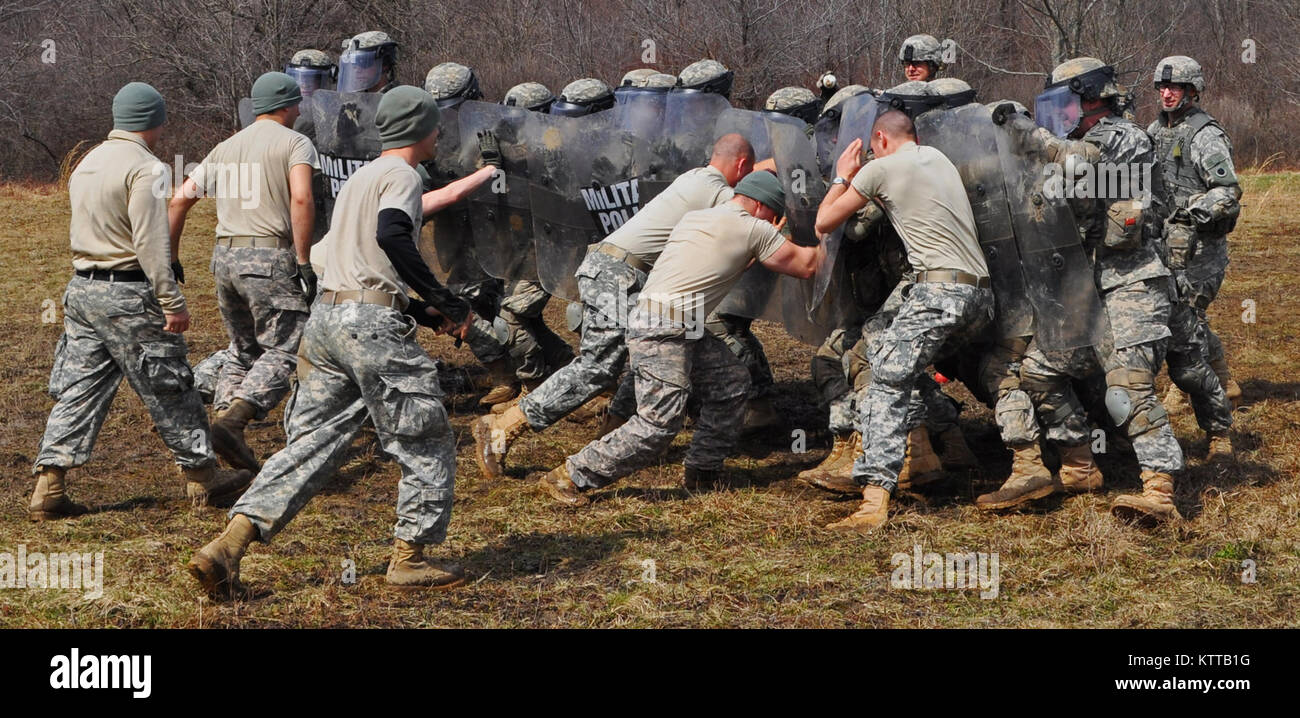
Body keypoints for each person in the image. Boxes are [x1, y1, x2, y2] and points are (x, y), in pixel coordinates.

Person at [188, 86, 497, 598]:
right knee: (426, 436)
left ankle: (227, 546)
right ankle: (410, 558)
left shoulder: (362, 177)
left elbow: (362, 263)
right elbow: (393, 237)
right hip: (367, 328)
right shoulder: (402, 174)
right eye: (435, 125)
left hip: (329, 321)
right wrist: (449, 301)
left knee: (313, 444)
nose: (440, 133)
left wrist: (420, 310)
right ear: (421, 130)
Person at [29, 82, 251, 521]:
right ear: (156, 121)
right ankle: (205, 478)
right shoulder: (146, 169)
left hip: (82, 289)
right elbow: (150, 243)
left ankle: (49, 485)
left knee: (79, 388)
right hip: (128, 292)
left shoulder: (86, 163)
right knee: (170, 384)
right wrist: (171, 300)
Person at [534, 171, 826, 505]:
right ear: (761, 207)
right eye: (774, 217)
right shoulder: (752, 227)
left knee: (730, 383)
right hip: (664, 328)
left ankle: (703, 469)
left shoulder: (696, 219)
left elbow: (722, 261)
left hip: (672, 322)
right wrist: (830, 229)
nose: (773, 223)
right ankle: (570, 475)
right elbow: (806, 265)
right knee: (659, 423)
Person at [474, 134, 757, 478]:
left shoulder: (697, 177)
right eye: (748, 173)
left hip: (627, 276)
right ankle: (504, 426)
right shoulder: (718, 191)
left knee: (647, 353)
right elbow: (747, 219)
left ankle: (611, 433)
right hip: (617, 274)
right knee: (599, 366)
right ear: (742, 167)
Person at [815, 110, 992, 531]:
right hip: (980, 297)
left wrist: (843, 175)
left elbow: (826, 222)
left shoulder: (880, 168)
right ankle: (946, 442)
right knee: (892, 350)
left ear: (880, 138)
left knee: (883, 375)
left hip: (938, 292)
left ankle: (874, 498)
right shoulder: (939, 158)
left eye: (874, 145)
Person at [168, 72, 318, 473]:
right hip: (269, 259)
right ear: (286, 106)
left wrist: (172, 256)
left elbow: (179, 201)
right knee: (287, 348)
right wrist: (303, 260)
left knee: (242, 349)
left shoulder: (224, 147)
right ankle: (235, 420)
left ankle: (223, 430)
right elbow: (302, 196)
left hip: (224, 258)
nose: (300, 110)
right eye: (297, 104)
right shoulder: (296, 143)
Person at [1148, 55, 1241, 459]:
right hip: (1166, 244)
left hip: (1202, 248)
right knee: (1187, 316)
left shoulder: (1205, 135)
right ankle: (1224, 378)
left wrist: (1190, 211)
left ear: (1192, 91)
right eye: (1163, 88)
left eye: (1176, 88)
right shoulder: (1154, 131)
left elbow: (1228, 192)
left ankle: (1189, 390)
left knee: (1187, 314)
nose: (1167, 93)